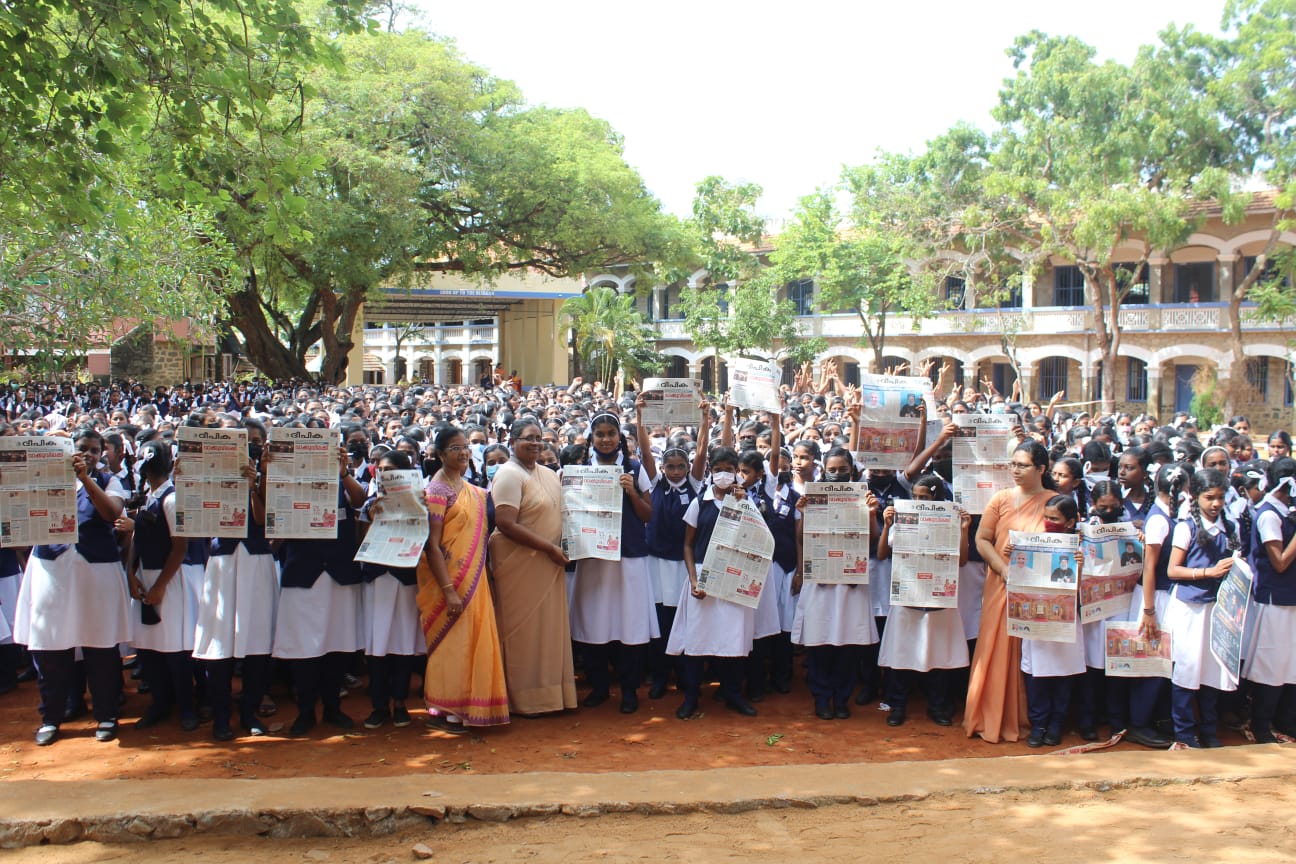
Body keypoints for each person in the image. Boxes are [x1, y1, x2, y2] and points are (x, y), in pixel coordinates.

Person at [14, 427, 132, 746]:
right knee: (51, 649)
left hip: (97, 575)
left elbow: (112, 513)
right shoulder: (41, 480)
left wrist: (86, 480)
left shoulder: (110, 482)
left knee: (101, 648)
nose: (90, 454)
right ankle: (51, 717)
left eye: (96, 450)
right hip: (53, 571)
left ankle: (106, 715)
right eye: (83, 448)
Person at [271, 436, 367, 737]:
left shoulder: (342, 478)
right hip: (303, 572)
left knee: (337, 645)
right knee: (303, 648)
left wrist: (343, 472)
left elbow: (362, 500)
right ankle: (305, 711)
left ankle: (332, 708)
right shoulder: (285, 481)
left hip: (339, 571)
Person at [419, 426, 509, 732]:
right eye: (454, 448)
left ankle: (468, 706)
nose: (462, 453)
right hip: (450, 582)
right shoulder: (437, 491)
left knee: (472, 643)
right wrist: (448, 590)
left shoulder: (473, 490)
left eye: (464, 448)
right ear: (441, 455)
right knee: (452, 645)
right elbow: (432, 544)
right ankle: (445, 709)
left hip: (476, 577)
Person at [191, 419, 277, 740]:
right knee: (219, 642)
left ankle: (249, 712)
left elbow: (262, 518)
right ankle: (221, 717)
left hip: (256, 559)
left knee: (256, 642)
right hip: (223, 562)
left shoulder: (269, 475)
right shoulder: (213, 472)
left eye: (257, 440)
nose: (251, 444)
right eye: (246, 439)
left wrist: (256, 483)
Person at [964, 439, 1054, 743]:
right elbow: (982, 539)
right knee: (994, 645)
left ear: (1041, 468)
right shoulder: (1000, 499)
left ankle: (1031, 718)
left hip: (1039, 589)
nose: (1015, 470)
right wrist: (1003, 569)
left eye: (1023, 465)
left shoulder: (1055, 501)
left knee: (1030, 650)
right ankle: (987, 715)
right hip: (1001, 582)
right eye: (1012, 464)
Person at [569, 413, 657, 713]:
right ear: (591, 438)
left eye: (611, 433)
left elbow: (647, 514)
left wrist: (631, 491)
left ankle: (630, 691)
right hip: (594, 558)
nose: (606, 439)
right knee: (595, 623)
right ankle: (600, 687)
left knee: (629, 626)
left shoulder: (634, 468)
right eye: (600, 434)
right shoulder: (580, 470)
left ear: (620, 436)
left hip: (628, 558)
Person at [489, 418, 577, 715]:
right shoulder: (508, 474)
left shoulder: (549, 473)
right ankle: (520, 699)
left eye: (539, 438)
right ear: (512, 441)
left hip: (548, 563)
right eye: (529, 438)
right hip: (521, 563)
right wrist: (548, 548)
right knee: (521, 633)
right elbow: (505, 523)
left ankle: (551, 697)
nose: (536, 443)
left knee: (548, 630)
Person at [670, 446, 758, 719]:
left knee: (732, 639)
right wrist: (694, 580)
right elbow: (687, 545)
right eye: (718, 470)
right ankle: (691, 697)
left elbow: (757, 540)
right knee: (698, 639)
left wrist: (744, 506)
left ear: (737, 474)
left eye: (729, 471)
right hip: (704, 578)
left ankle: (733, 693)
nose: (723, 475)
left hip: (733, 578)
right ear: (710, 471)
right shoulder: (700, 503)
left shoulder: (746, 502)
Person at [124, 439, 201, 733]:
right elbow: (137, 539)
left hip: (169, 580)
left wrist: (159, 586)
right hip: (146, 576)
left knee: (175, 650)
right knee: (148, 647)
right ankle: (159, 703)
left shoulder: (172, 498)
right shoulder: (147, 496)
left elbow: (180, 548)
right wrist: (131, 573)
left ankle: (186, 708)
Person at [1165, 468, 1241, 748]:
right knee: (1187, 667)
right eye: (1210, 497)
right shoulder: (1186, 527)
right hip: (1190, 607)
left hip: (1218, 608)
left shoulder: (1229, 527)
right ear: (1195, 497)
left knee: (1212, 668)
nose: (1216, 504)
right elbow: (1173, 570)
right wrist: (1208, 573)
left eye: (1221, 497)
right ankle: (1184, 733)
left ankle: (1209, 730)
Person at [357, 450, 427, 730]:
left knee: (402, 644)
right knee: (377, 646)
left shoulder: (420, 504)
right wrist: (376, 515)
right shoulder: (370, 505)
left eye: (391, 470)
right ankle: (378, 705)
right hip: (377, 580)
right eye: (380, 469)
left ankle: (399, 703)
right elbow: (361, 543)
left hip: (406, 579)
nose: (384, 474)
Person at [1020, 495, 1086, 747]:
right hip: (1036, 618)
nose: (1048, 522)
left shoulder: (1080, 548)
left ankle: (1056, 725)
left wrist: (1081, 568)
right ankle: (1038, 724)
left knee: (1063, 675)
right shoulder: (1033, 542)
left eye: (1054, 519)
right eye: (1046, 517)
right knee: (1037, 675)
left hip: (1066, 620)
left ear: (1070, 522)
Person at [1244, 457, 1296, 743]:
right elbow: (1279, 562)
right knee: (1271, 662)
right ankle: (1261, 724)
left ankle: (1286, 720)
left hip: (1291, 598)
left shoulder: (1286, 511)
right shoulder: (1269, 515)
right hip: (1274, 599)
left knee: (1291, 662)